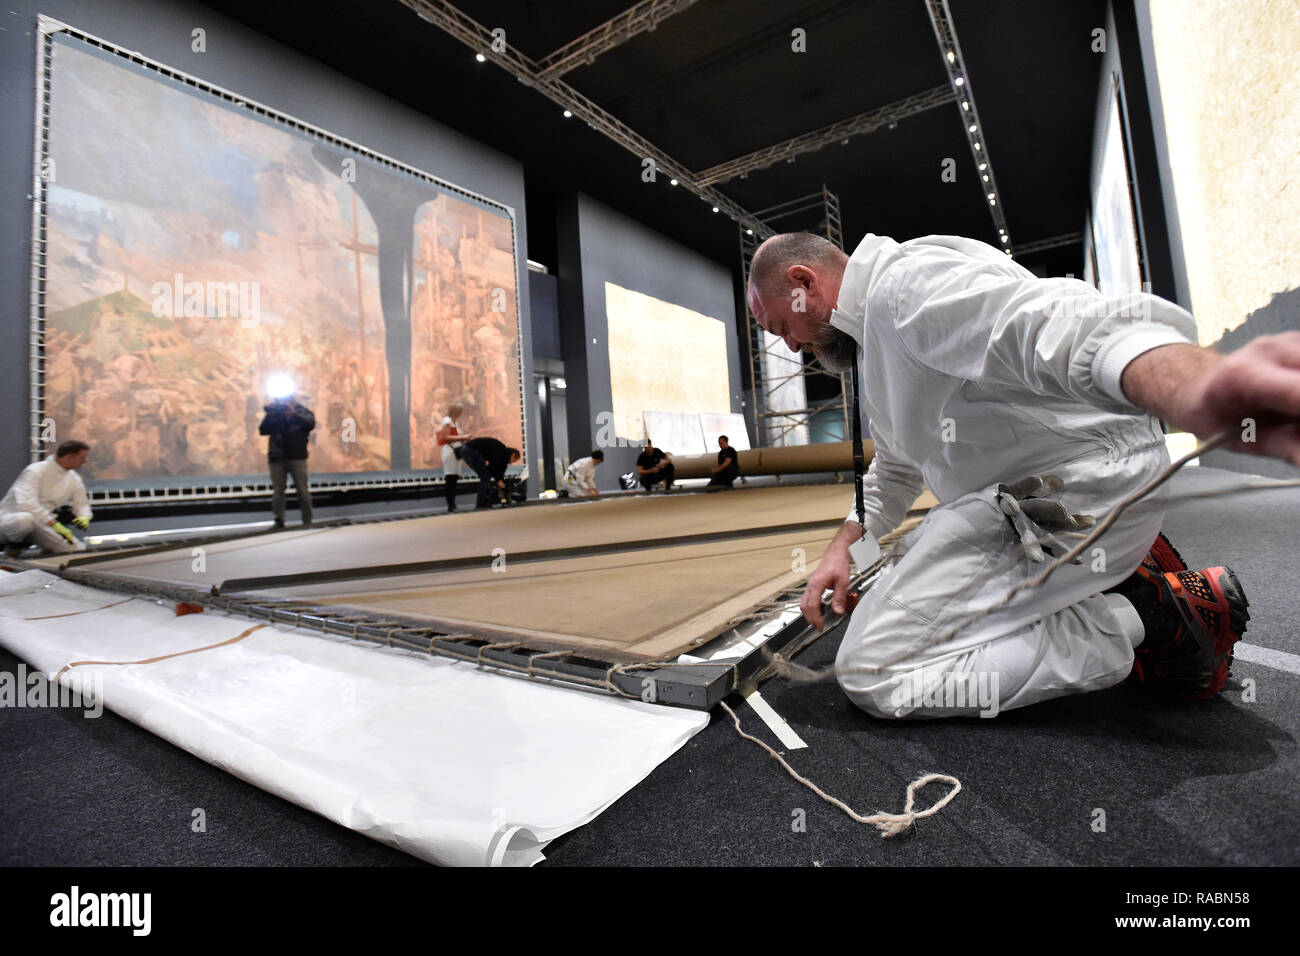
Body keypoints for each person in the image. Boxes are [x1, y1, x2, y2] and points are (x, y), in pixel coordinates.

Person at [747, 230, 1300, 719]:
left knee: (877, 673)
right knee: (891, 572)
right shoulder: (876, 339)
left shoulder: (905, 286)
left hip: (1076, 496)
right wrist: (846, 550)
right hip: (1028, 501)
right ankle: (1106, 577)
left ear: (803, 281)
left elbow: (1053, 327)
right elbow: (895, 468)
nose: (791, 345)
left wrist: (1196, 386)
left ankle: (1150, 615)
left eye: (782, 326)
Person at [1, 440, 93, 556]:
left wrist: (84, 516)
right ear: (69, 457)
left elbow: (82, 503)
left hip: (42, 524)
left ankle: (47, 550)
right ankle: (13, 547)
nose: (84, 462)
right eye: (82, 458)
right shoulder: (35, 471)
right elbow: (27, 503)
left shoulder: (73, 478)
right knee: (25, 520)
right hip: (12, 521)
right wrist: (52, 523)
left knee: (76, 550)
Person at [258, 391, 315, 528]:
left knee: (302, 489)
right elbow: (263, 430)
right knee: (278, 490)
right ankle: (279, 519)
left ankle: (307, 520)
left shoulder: (302, 411)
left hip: (297, 457)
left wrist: (293, 414)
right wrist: (274, 415)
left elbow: (310, 424)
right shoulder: (275, 413)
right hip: (277, 457)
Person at [460, 437, 522, 509]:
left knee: (485, 476)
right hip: (470, 450)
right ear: (513, 454)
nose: (511, 463)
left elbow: (499, 471)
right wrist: (498, 480)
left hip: (466, 450)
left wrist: (500, 480)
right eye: (514, 460)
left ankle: (484, 502)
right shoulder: (503, 452)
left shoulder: (503, 455)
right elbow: (492, 467)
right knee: (485, 477)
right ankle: (481, 504)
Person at [437, 402, 472, 513]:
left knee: (454, 479)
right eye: (460, 411)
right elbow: (446, 438)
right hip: (449, 452)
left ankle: (453, 504)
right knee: (450, 479)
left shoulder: (454, 423)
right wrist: (463, 437)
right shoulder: (447, 421)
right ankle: (450, 505)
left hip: (455, 453)